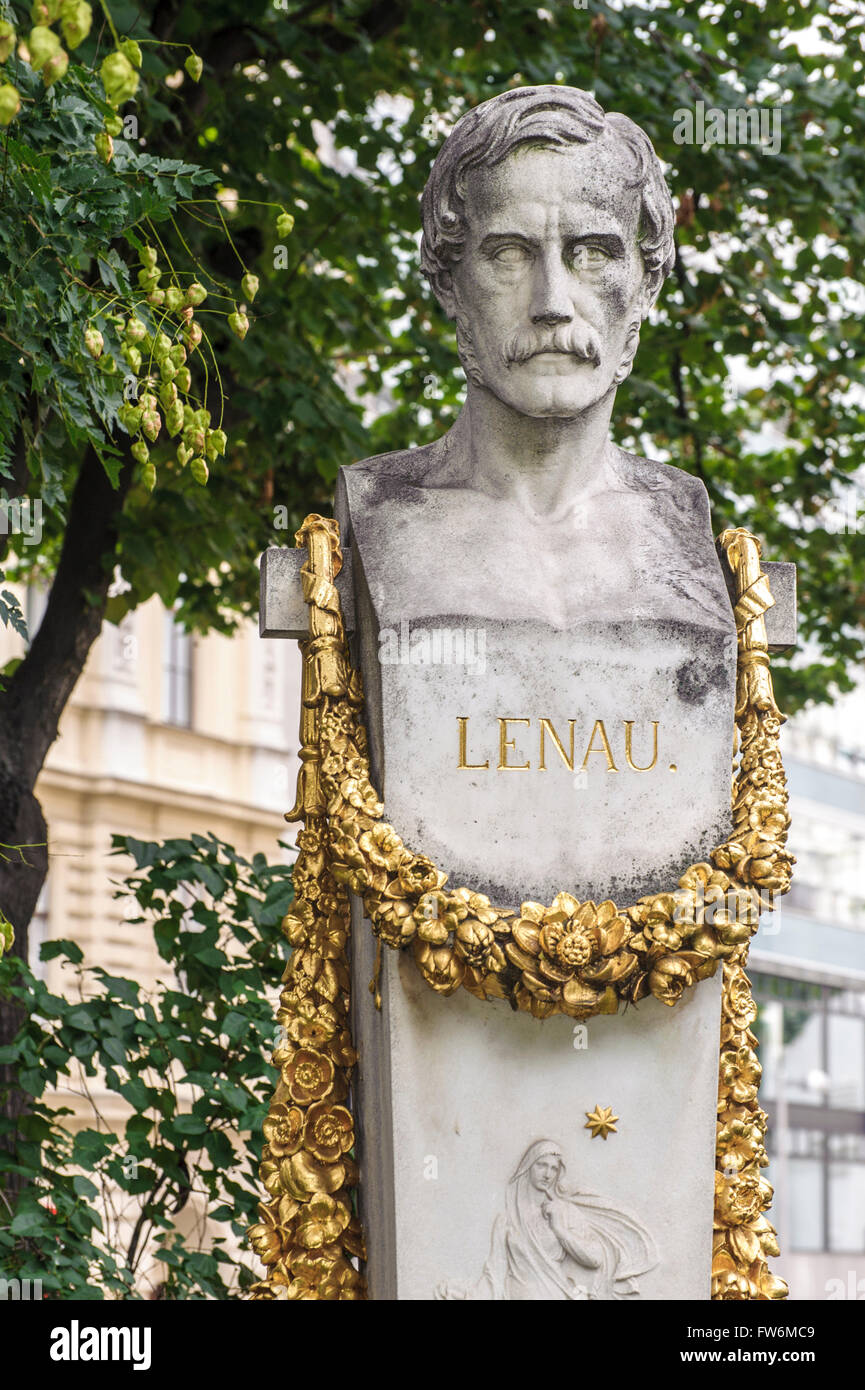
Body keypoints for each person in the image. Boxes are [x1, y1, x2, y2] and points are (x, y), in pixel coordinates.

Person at [437, 1140, 658, 1301]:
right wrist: (467, 1296)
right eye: (542, 1165)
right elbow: (493, 1273)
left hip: (555, 1293)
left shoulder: (564, 1211)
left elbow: (595, 1258)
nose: (548, 1174)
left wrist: (560, 1230)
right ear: (528, 1167)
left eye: (554, 1168)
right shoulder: (506, 1220)